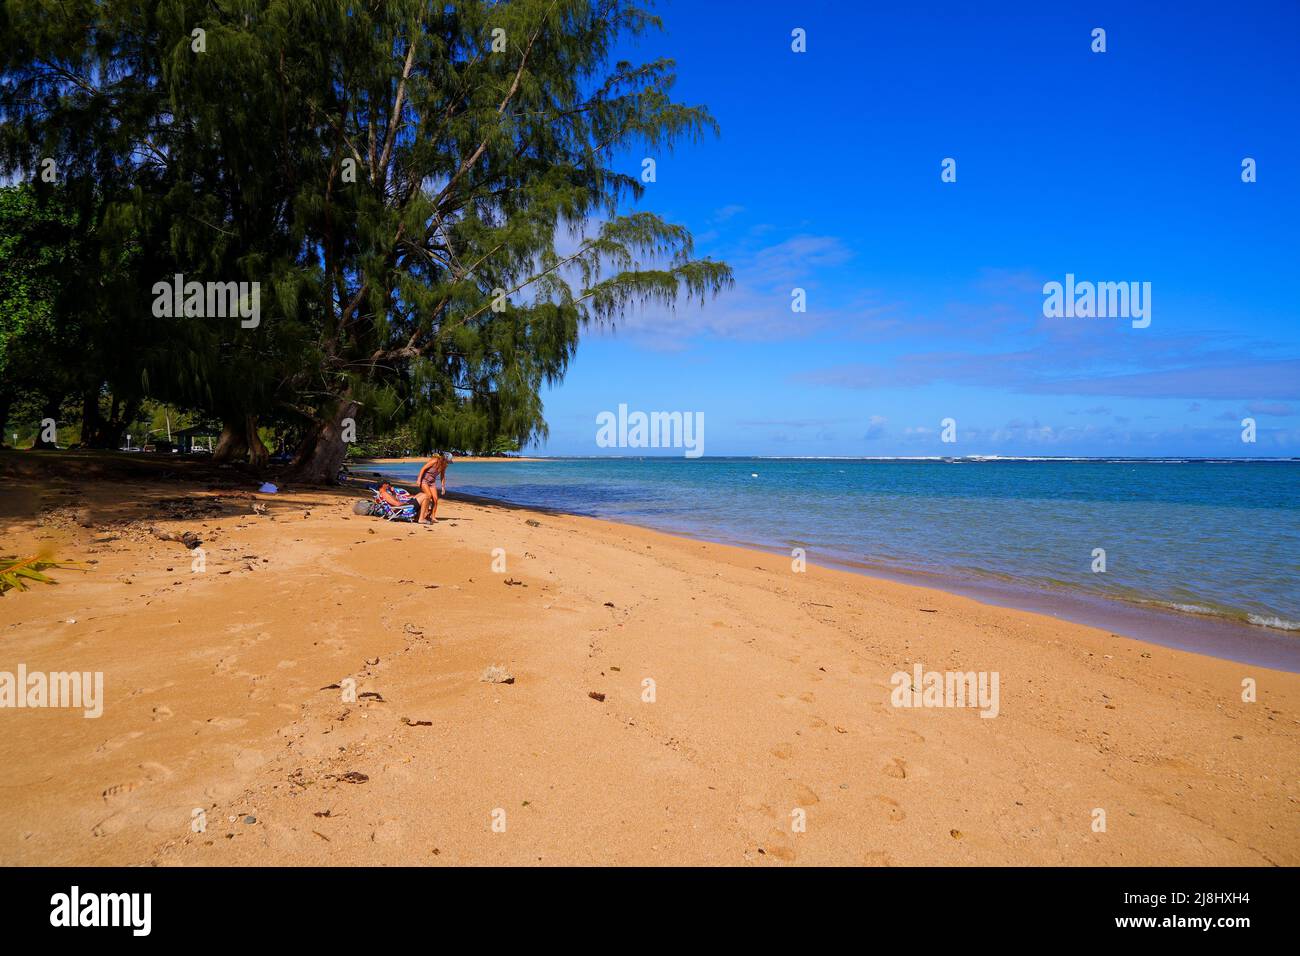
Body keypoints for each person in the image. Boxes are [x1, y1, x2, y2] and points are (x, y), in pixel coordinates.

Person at [415, 453, 451, 523]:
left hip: (432, 483)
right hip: (424, 481)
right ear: (444, 459)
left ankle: (433, 516)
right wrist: (419, 479)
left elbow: (442, 476)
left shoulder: (444, 465)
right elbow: (423, 468)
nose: (448, 463)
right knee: (428, 496)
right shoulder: (434, 461)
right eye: (447, 461)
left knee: (435, 499)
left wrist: (443, 487)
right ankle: (423, 514)